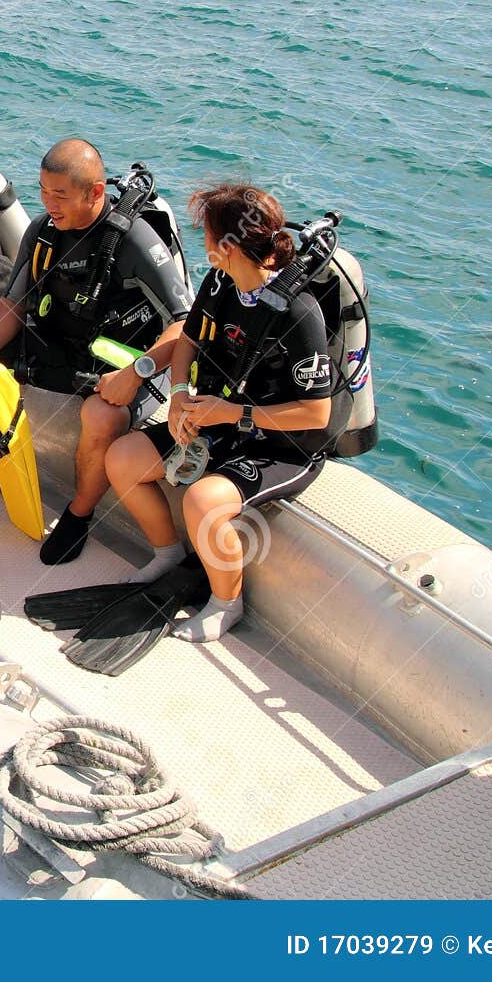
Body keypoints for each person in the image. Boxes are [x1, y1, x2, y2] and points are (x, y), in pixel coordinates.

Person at [104, 183, 335, 642]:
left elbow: (316, 414)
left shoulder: (298, 312)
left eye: (207, 233)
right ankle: (168, 554)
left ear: (229, 245)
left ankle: (226, 603)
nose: (203, 242)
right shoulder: (219, 281)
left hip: (281, 446)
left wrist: (232, 413)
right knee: (123, 459)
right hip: (217, 419)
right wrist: (179, 394)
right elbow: (188, 339)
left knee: (202, 502)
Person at [0, 138, 194, 565]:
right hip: (70, 346)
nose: (49, 203)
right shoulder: (43, 231)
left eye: (60, 195)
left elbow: (186, 324)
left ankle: (78, 515)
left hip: (132, 362)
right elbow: (14, 304)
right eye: (43, 192)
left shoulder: (135, 240)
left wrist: (136, 372)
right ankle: (7, 464)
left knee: (101, 416)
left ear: (95, 192)